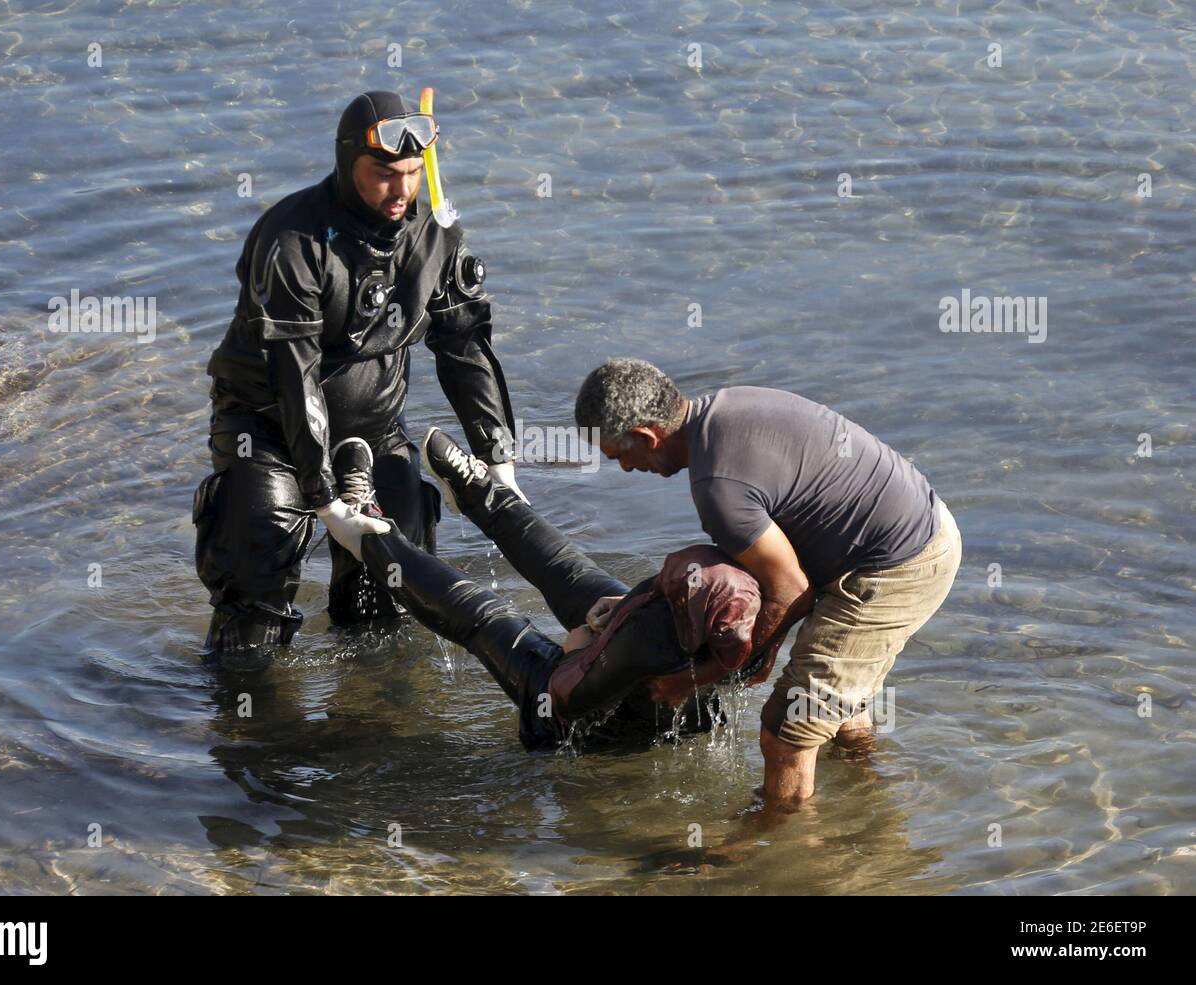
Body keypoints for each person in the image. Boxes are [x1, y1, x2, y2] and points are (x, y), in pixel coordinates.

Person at [193, 90, 525, 660]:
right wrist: (326, 502)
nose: (401, 191)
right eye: (383, 174)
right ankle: (248, 732)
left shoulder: (435, 233)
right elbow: (294, 377)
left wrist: (500, 464)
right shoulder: (292, 239)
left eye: (412, 173)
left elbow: (464, 347)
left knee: (390, 606)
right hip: (268, 428)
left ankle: (371, 730)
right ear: (348, 164)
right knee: (256, 607)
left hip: (374, 428)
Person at [574, 358, 963, 806]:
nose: (624, 469)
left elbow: (791, 590)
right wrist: (639, 597)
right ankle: (867, 794)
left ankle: (771, 847)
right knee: (838, 698)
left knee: (788, 725)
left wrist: (703, 677)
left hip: (894, 568)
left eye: (620, 456)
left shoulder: (717, 485)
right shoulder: (730, 407)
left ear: (647, 436)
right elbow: (756, 562)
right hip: (922, 527)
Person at [319, 428, 783, 750]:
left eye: (668, 583)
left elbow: (568, 685)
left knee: (484, 616)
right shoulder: (750, 630)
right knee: (581, 578)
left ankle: (366, 531)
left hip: (567, 716)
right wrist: (623, 607)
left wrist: (583, 642)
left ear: (680, 606)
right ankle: (486, 497)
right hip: (651, 693)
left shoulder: (642, 641)